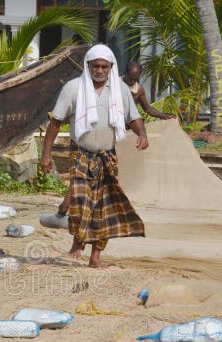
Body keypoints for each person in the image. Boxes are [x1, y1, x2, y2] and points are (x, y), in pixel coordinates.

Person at [40, 44, 149, 269]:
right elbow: (56, 122)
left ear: (111, 67)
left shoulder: (120, 90)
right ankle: (76, 247)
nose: (99, 70)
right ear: (88, 66)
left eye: (104, 66)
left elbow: (134, 117)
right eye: (95, 66)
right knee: (80, 203)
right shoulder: (73, 89)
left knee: (104, 207)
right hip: (81, 154)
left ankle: (95, 257)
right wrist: (46, 154)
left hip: (107, 157)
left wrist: (142, 133)